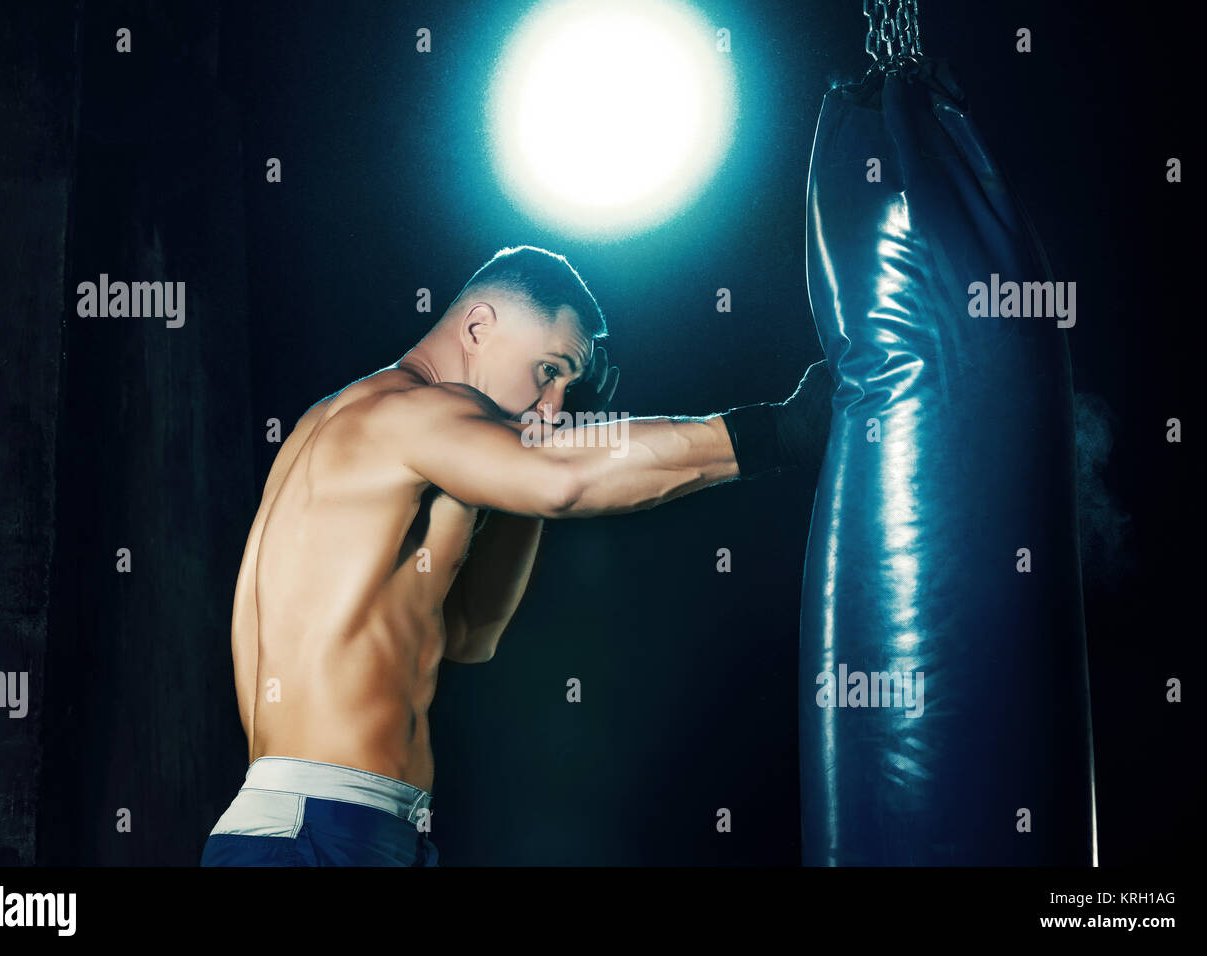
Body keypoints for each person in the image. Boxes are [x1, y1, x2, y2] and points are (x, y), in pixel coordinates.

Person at [200, 245, 833, 866]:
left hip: (362, 825)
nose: (553, 405)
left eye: (568, 388)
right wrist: (777, 432)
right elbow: (561, 483)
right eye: (549, 370)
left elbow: (472, 635)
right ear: (478, 327)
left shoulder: (392, 439)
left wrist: (535, 458)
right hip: (310, 829)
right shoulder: (401, 413)